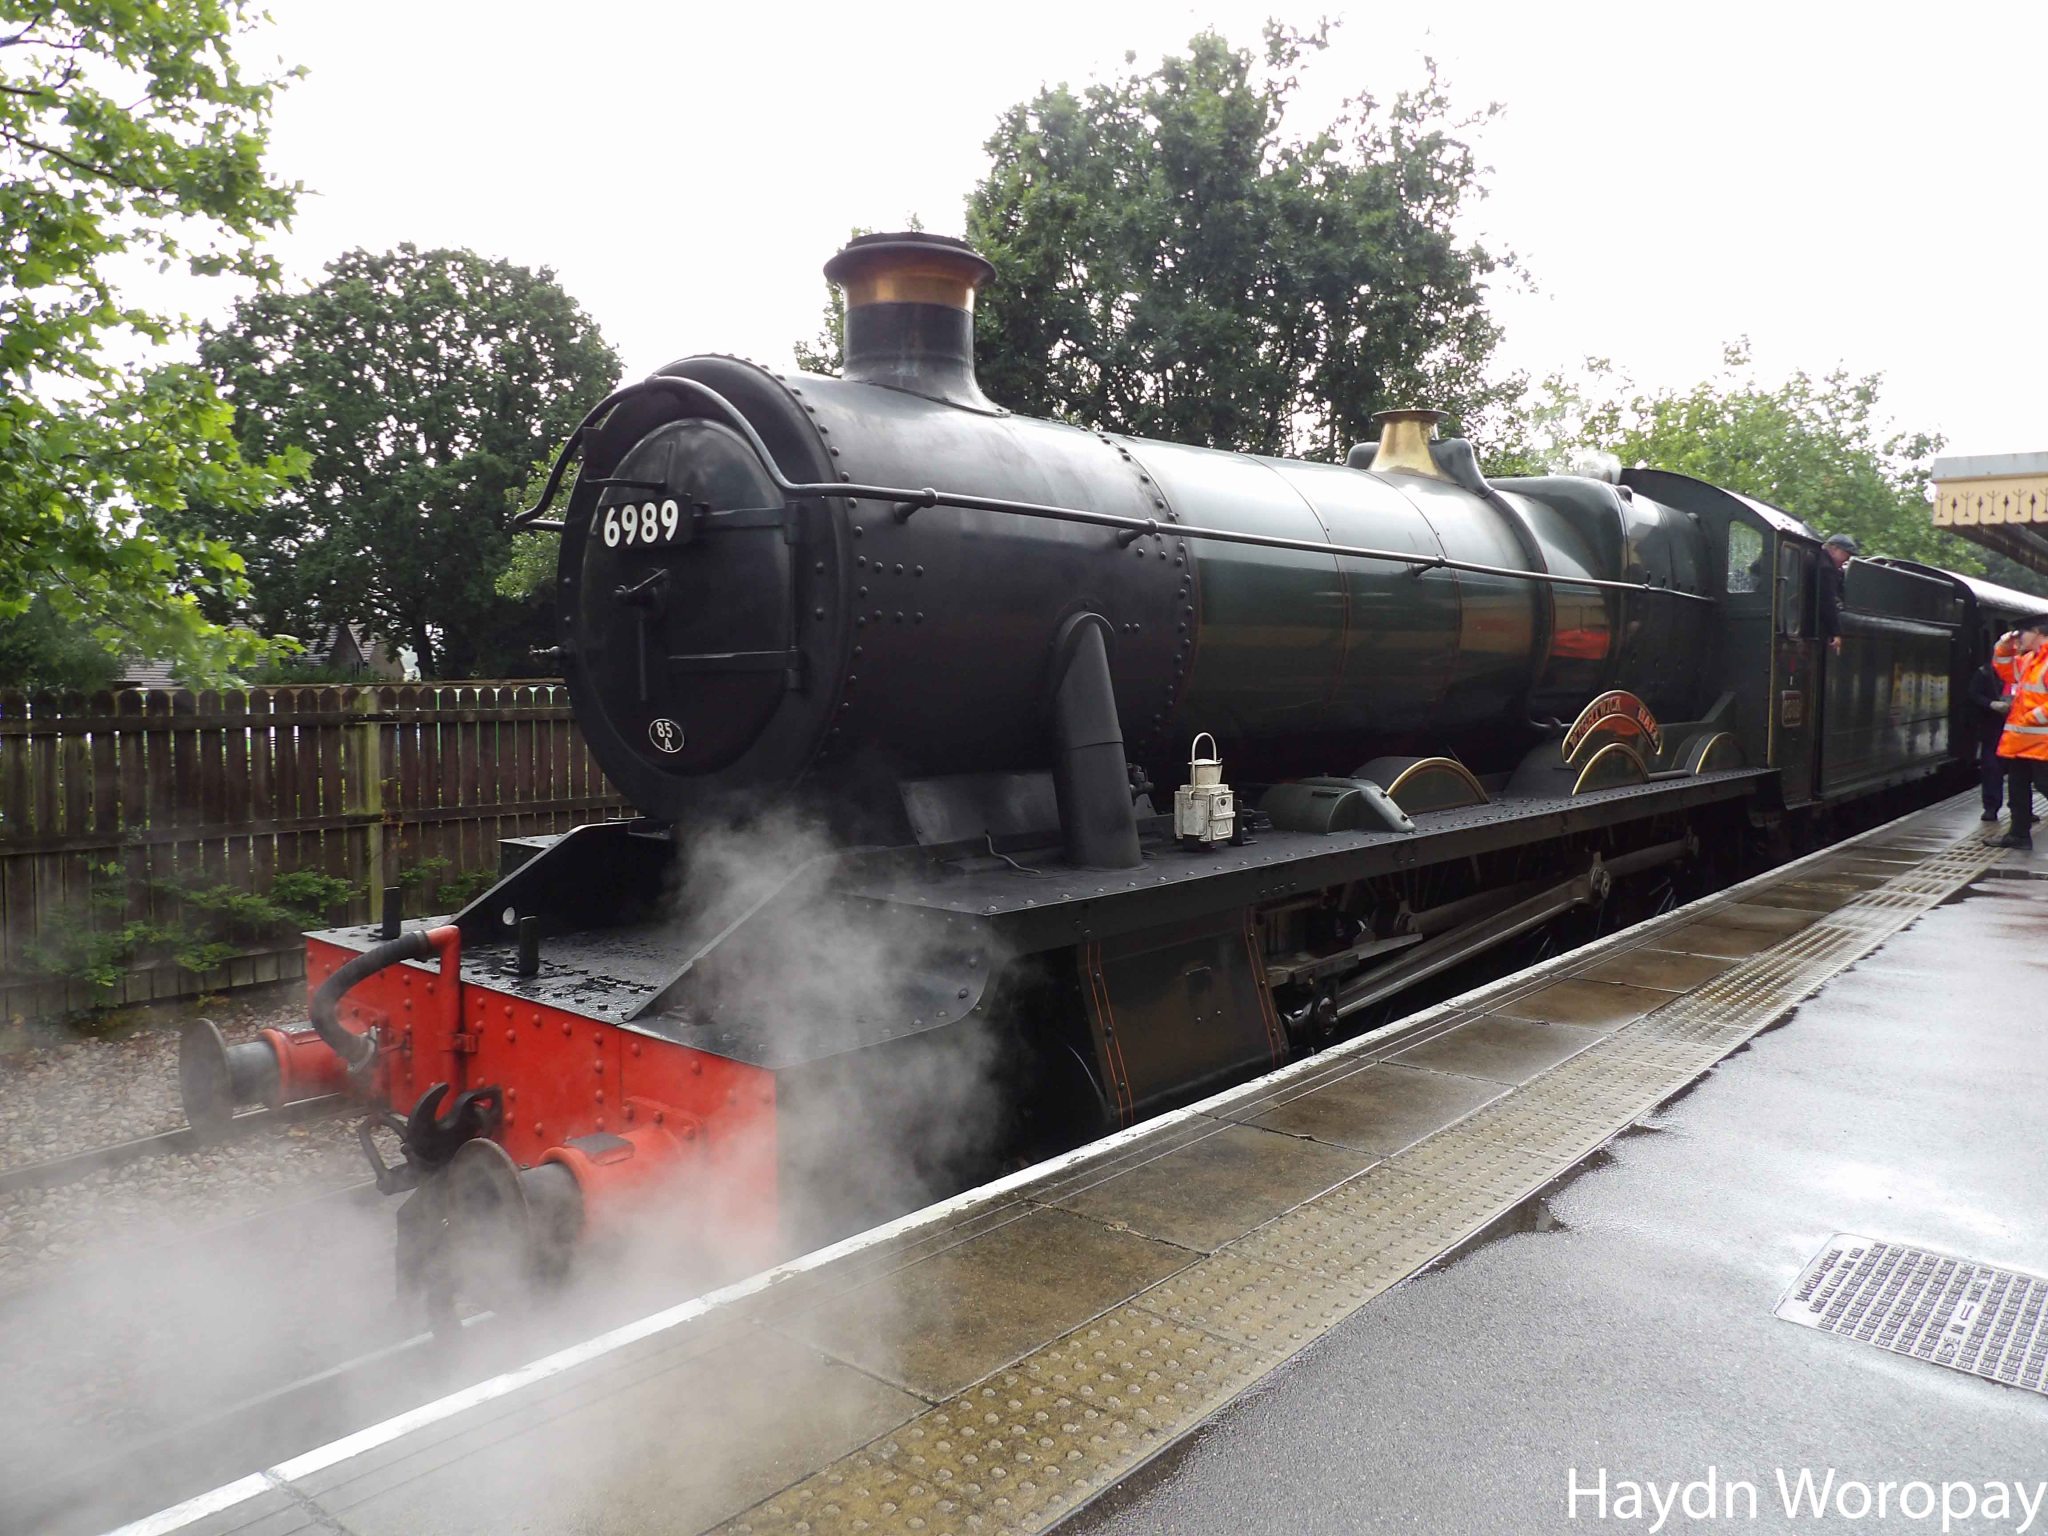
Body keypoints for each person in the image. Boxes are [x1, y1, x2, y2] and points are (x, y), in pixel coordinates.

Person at [1990, 615, 2048, 850]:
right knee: (2017, 788)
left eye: (2021, 633)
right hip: (2024, 742)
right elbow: (2005, 671)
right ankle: (2018, 834)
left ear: (2037, 632)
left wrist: (2031, 718)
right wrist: (2003, 646)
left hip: (2042, 743)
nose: (2018, 638)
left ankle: (2019, 834)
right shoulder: (2031, 661)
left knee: (2044, 785)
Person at [1966, 658, 2011, 821]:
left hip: (2018, 728)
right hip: (1993, 727)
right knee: (1992, 768)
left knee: (2020, 772)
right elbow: (1973, 693)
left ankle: (2021, 809)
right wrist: (1991, 704)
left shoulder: (2024, 669)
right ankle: (1991, 807)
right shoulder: (1986, 671)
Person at [1816, 533, 1857, 654]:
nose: (1847, 559)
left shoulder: (1821, 561)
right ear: (1834, 549)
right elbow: (1828, 601)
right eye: (1846, 554)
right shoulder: (1826, 569)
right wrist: (1836, 633)